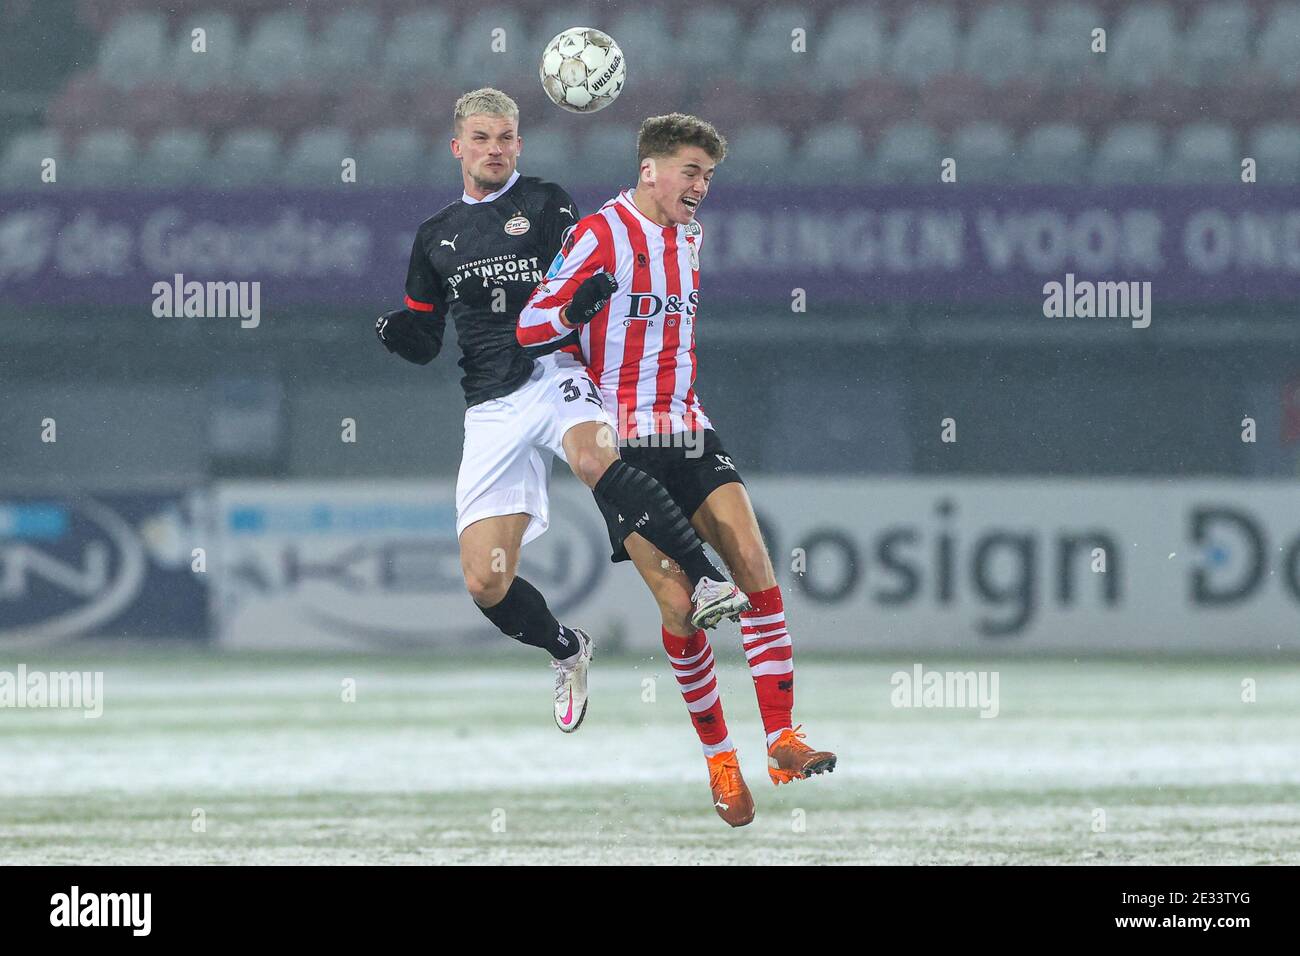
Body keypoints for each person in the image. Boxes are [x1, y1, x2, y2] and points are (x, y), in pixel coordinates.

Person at [374, 90, 747, 735]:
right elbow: (427, 336)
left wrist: (578, 312)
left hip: (556, 374)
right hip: (490, 406)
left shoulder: (548, 204)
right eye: (483, 138)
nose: (496, 149)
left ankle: (707, 579)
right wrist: (399, 334)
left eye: (508, 138)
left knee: (594, 455)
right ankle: (567, 649)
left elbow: (574, 286)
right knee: (485, 582)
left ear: (519, 144)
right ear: (458, 147)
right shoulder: (435, 236)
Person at [517, 112, 836, 826]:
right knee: (678, 608)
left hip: (688, 426)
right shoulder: (600, 235)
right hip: (620, 440)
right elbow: (530, 329)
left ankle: (783, 736)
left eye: (710, 177)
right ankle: (721, 760)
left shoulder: (690, 236)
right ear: (650, 169)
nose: (701, 188)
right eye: (691, 172)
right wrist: (575, 307)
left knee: (752, 557)